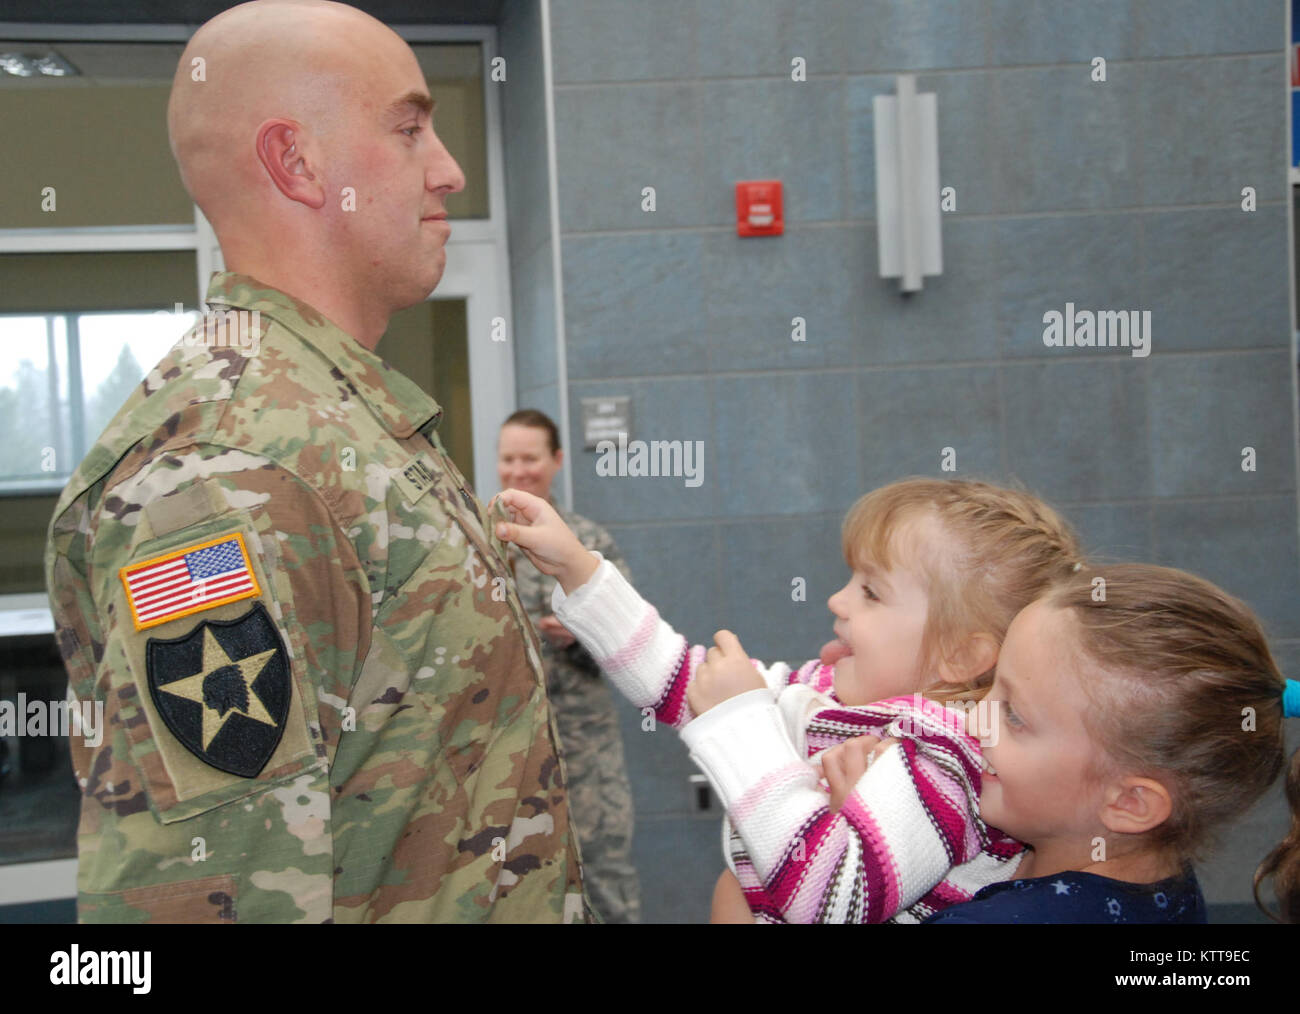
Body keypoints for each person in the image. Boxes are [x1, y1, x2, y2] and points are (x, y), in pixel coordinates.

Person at [43, 0, 586, 923]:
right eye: (410, 128)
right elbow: (204, 897)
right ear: (296, 163)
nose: (449, 169)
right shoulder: (229, 471)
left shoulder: (336, 420)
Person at [493, 477, 1084, 923]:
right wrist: (581, 573)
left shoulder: (948, 758)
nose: (837, 600)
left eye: (871, 592)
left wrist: (744, 726)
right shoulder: (829, 696)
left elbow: (832, 901)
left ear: (960, 656)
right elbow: (680, 678)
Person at [924, 563, 1300, 923]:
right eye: (993, 684)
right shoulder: (1155, 874)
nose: (974, 720)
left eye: (1015, 716)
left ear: (1129, 803)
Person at [496, 409, 643, 923]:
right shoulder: (482, 542)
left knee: (603, 875)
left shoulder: (588, 545)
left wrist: (583, 634)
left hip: (584, 747)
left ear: (556, 461)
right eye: (508, 459)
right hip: (505, 749)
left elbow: (632, 637)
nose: (518, 471)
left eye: (530, 458)